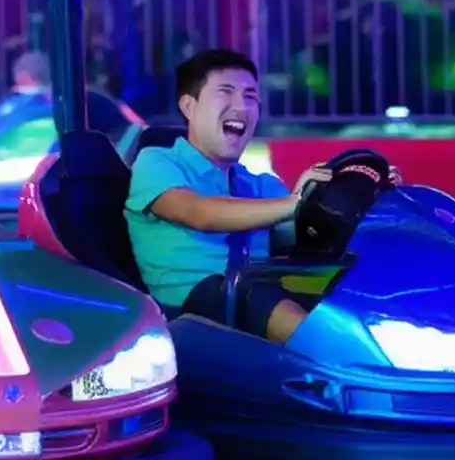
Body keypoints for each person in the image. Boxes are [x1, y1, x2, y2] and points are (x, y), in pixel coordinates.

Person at [125, 49, 400, 345]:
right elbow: (197, 213)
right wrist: (294, 203)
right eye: (225, 93)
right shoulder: (157, 162)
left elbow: (312, 230)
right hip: (186, 317)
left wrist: (370, 195)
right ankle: (345, 358)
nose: (241, 106)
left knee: (348, 287)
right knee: (252, 295)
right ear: (189, 106)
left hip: (252, 298)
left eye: (250, 97)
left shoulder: (256, 184)